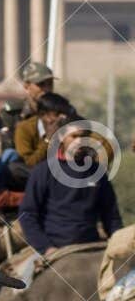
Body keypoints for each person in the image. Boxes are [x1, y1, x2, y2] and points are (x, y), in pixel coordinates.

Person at [18, 108, 122, 253]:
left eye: (84, 137)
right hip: (55, 247)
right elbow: (27, 215)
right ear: (61, 137)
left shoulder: (97, 173)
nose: (80, 142)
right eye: (74, 137)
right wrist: (46, 248)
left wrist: (118, 242)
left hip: (92, 246)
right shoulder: (43, 171)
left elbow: (111, 215)